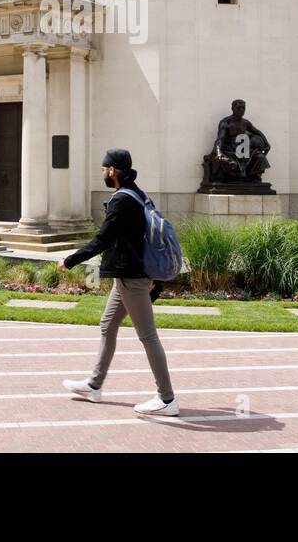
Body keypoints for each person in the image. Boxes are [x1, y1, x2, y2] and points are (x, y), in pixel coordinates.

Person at [59, 149, 177, 417]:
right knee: (107, 325)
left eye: (103, 169)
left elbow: (103, 239)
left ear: (112, 170)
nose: (102, 173)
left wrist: (70, 260)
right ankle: (94, 385)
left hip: (131, 278)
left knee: (148, 336)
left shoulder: (122, 200)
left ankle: (167, 399)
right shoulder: (138, 194)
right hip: (128, 277)